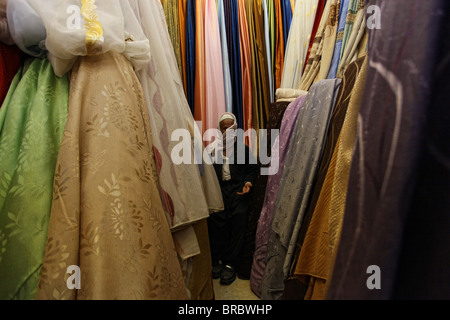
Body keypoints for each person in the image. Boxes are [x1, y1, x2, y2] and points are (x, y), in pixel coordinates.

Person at [207, 112, 258, 285]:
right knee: (217, 220)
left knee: (239, 218)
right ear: (219, 129)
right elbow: (206, 173)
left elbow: (252, 169)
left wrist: (248, 183)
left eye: (231, 128)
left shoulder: (243, 149)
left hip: (237, 189)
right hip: (219, 189)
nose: (227, 131)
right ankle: (218, 260)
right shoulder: (212, 148)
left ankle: (230, 263)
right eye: (224, 128)